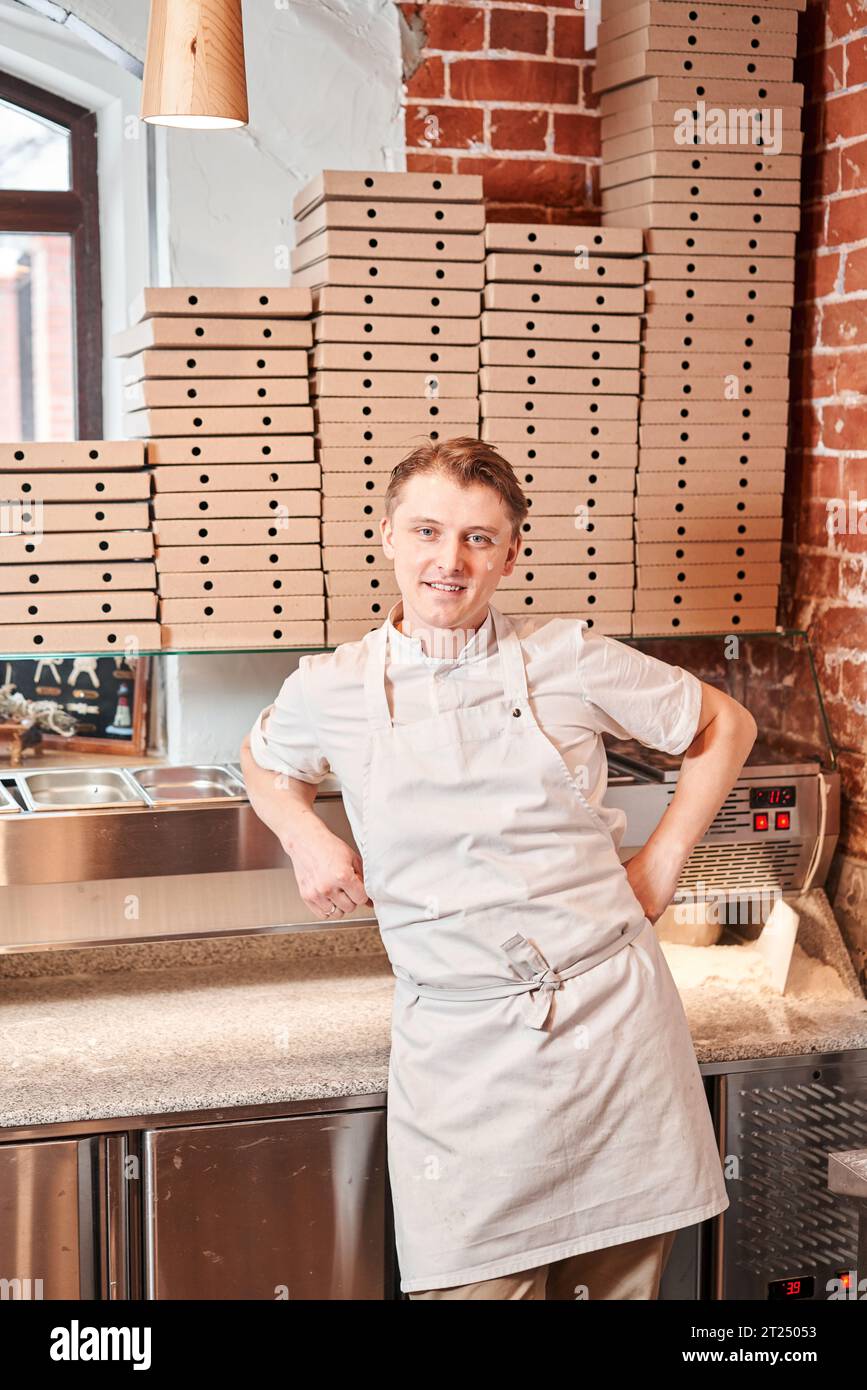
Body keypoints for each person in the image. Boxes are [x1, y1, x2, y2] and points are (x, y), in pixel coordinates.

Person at [240, 436, 757, 1300]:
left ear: (511, 553)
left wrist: (659, 869)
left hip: (611, 1029)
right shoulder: (328, 687)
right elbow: (262, 762)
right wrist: (303, 833)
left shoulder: (567, 657)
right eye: (428, 532)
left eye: (479, 538)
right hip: (457, 1053)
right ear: (389, 537)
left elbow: (723, 727)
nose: (450, 561)